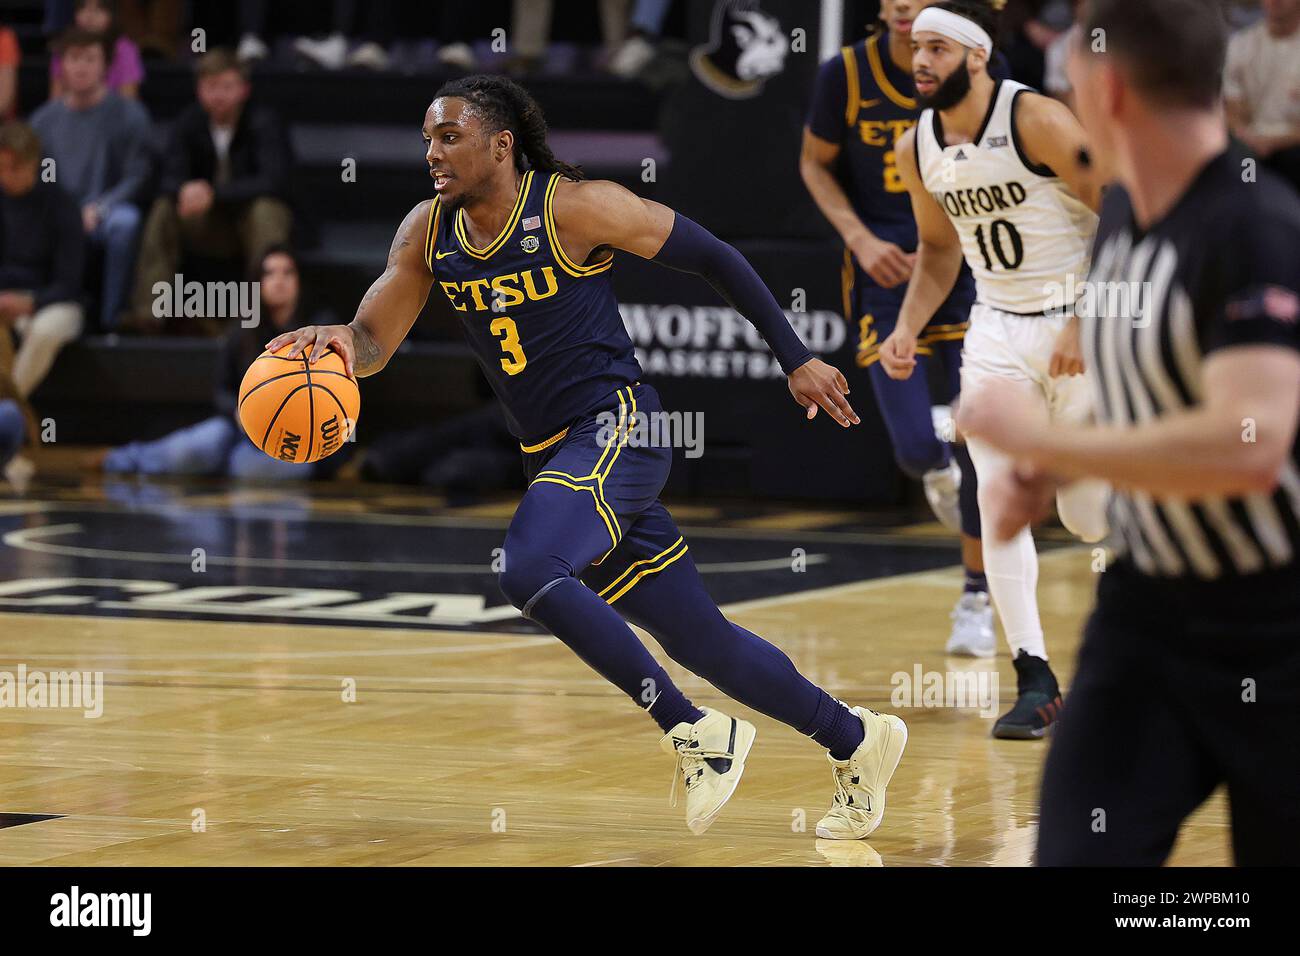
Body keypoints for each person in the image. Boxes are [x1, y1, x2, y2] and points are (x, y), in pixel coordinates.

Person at [267, 74, 908, 840]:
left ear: (501, 144)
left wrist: (795, 356)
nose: (432, 154)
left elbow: (716, 256)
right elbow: (375, 341)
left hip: (619, 427)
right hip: (556, 457)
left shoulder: (574, 206)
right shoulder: (428, 230)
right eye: (427, 140)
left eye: (450, 137)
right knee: (702, 640)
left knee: (526, 567)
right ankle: (857, 740)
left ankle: (692, 729)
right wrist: (341, 343)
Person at [958, 0, 1300, 865]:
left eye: (1074, 87)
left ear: (1107, 91)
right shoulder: (1126, 229)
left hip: (1276, 619)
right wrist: (1045, 475)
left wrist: (1048, 446)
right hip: (1148, 614)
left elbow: (1247, 444)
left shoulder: (1254, 227)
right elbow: (1150, 393)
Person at [878, 0, 1110, 738]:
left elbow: (1128, 212)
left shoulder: (1036, 118)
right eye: (916, 48)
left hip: (1081, 322)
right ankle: (1035, 678)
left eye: (937, 48)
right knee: (1000, 499)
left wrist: (1086, 317)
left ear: (976, 55)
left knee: (1083, 513)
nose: (920, 61)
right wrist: (907, 327)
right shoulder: (917, 143)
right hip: (997, 333)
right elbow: (940, 250)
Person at [803, 0, 995, 658]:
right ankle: (937, 473)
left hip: (970, 267)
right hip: (886, 274)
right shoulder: (846, 76)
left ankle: (976, 596)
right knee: (917, 447)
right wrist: (858, 237)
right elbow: (813, 164)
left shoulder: (976, 77)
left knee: (981, 446)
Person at [97, 245, 338, 478]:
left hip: (295, 436)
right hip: (240, 426)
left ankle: (216, 465)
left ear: (299, 281)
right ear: (258, 282)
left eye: (287, 272)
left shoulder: (320, 328)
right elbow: (221, 390)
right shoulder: (244, 329)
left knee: (247, 469)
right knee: (191, 450)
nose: (279, 280)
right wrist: (237, 411)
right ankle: (120, 459)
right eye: (270, 273)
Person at [128, 48, 292, 332]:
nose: (218, 95)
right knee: (164, 209)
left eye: (227, 87)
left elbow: (274, 180)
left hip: (248, 221)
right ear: (199, 90)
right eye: (211, 87)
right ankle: (148, 313)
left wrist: (214, 193)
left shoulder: (264, 122)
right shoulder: (188, 122)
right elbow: (167, 176)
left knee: (266, 212)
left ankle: (267, 316)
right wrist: (185, 190)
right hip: (208, 224)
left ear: (244, 89)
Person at [32, 27, 151, 331]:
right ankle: (35, 310)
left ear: (106, 66)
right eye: (73, 58)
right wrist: (68, 214)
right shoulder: (43, 121)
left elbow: (137, 176)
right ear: (62, 65)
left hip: (106, 211)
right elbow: (39, 181)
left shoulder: (130, 115)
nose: (81, 66)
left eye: (89, 58)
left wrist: (99, 209)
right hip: (58, 213)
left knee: (125, 223)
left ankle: (112, 323)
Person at [0, 121, 85, 400]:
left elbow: (69, 283)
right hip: (5, 299)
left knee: (45, 331)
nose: (5, 176)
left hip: (54, 303)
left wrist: (31, 302)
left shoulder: (61, 205)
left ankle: (6, 407)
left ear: (33, 164)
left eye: (13, 168)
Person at [1224, 0, 1300, 193]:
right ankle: (1248, 209)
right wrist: (1245, 135)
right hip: (1252, 147)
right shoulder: (1240, 45)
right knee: (1241, 162)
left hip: (1291, 146)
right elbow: (1233, 109)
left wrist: (1273, 142)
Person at [49, 0, 145, 100]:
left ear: (112, 14)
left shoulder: (126, 50)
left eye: (99, 9)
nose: (89, 16)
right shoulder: (63, 46)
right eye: (83, 8)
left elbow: (128, 102)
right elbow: (56, 101)